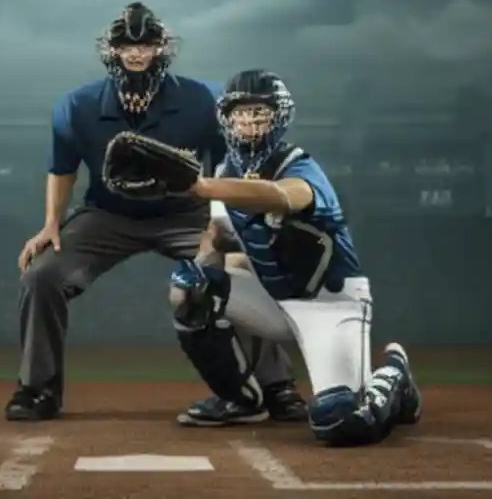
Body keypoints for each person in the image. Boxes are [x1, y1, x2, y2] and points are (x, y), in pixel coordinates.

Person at [5, 3, 307, 424]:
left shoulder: (203, 99)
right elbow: (62, 170)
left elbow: (227, 168)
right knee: (41, 275)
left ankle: (277, 386)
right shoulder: (76, 106)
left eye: (145, 43)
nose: (136, 53)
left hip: (186, 211)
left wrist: (222, 227)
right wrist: (51, 223)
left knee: (240, 269)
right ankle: (38, 390)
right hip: (108, 215)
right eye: (127, 44)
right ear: (110, 49)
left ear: (161, 48)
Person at [167, 69, 423, 444]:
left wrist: (201, 186)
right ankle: (239, 399)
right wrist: (207, 282)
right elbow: (220, 240)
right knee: (190, 286)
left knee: (341, 421)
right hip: (277, 299)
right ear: (227, 118)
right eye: (242, 113)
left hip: (330, 302)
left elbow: (286, 196)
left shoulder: (299, 165)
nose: (250, 122)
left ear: (279, 117)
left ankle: (395, 376)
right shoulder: (227, 171)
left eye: (260, 113)